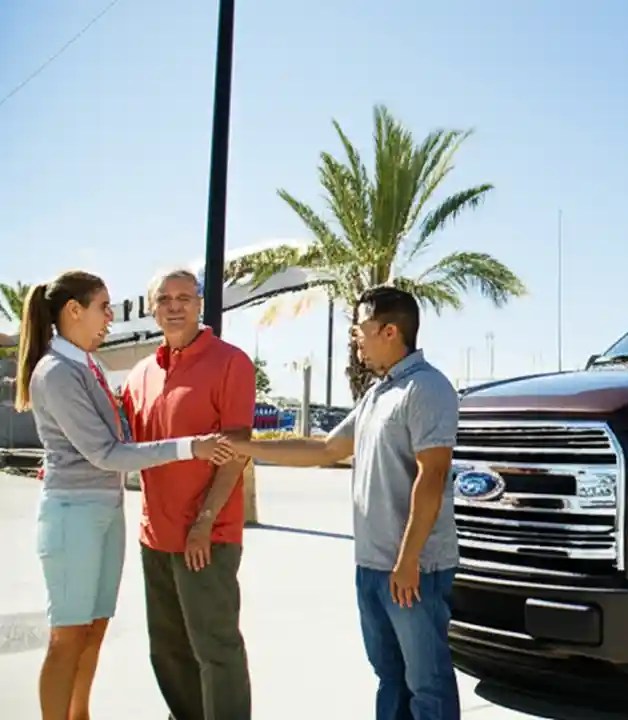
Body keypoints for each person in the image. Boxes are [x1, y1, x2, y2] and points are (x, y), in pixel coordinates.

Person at [223, 285, 461, 720]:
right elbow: (326, 449)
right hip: (372, 566)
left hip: (413, 569)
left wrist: (407, 560)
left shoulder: (427, 389)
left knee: (428, 683)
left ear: (390, 331)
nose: (356, 340)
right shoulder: (377, 395)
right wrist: (247, 447)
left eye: (360, 330)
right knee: (390, 676)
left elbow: (433, 476)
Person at [13, 270, 233, 720]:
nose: (110, 318)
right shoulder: (56, 372)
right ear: (73, 311)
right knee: (67, 637)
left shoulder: (86, 366)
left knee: (93, 629)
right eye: (103, 307)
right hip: (73, 516)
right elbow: (106, 453)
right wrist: (190, 445)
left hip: (104, 512)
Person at [119, 268, 257, 720]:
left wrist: (204, 521)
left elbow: (236, 451)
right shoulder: (140, 374)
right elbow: (122, 447)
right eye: (164, 299)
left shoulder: (230, 362)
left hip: (208, 536)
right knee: (168, 652)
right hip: (154, 537)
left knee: (215, 650)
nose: (174, 306)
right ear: (152, 308)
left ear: (200, 304)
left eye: (184, 297)